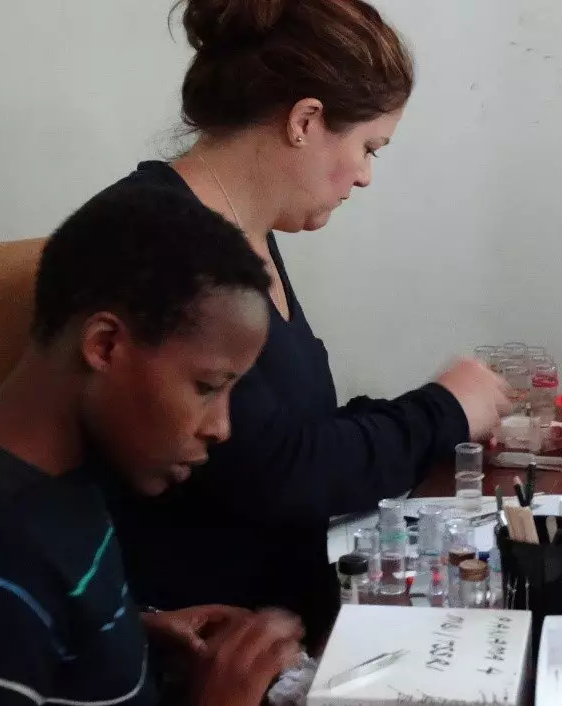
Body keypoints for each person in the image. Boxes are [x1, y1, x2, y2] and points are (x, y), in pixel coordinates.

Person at [99, 0, 513, 642]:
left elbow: (292, 433)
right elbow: (278, 476)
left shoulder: (241, 227)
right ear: (306, 120)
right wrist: (442, 410)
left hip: (289, 612)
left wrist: (439, 428)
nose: (367, 176)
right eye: (369, 147)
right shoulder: (163, 244)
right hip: (214, 642)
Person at [0, 185, 305, 706]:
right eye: (208, 387)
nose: (221, 427)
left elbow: (33, 631)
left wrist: (131, 633)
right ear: (104, 345)